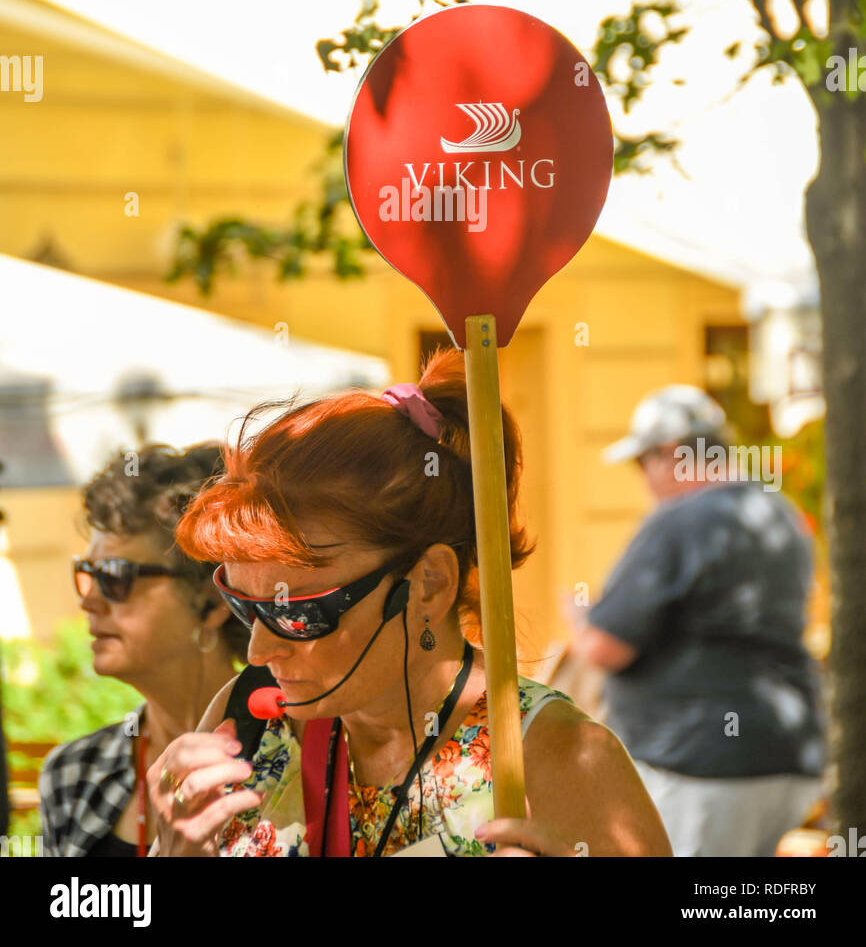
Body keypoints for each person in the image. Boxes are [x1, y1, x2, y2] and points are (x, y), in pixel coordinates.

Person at [147, 348, 673, 858]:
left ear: (429, 583)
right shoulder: (246, 724)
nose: (260, 650)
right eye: (245, 605)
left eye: (298, 612)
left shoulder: (553, 761)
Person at [576, 385, 826, 858]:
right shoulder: (779, 511)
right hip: (787, 759)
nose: (643, 481)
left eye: (641, 464)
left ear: (670, 454)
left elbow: (605, 646)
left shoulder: (679, 521)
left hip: (704, 767)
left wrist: (577, 621)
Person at [39, 443, 247, 857]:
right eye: (87, 573)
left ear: (211, 602)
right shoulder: (73, 771)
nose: (88, 601)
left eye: (116, 576)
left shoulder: (300, 755)